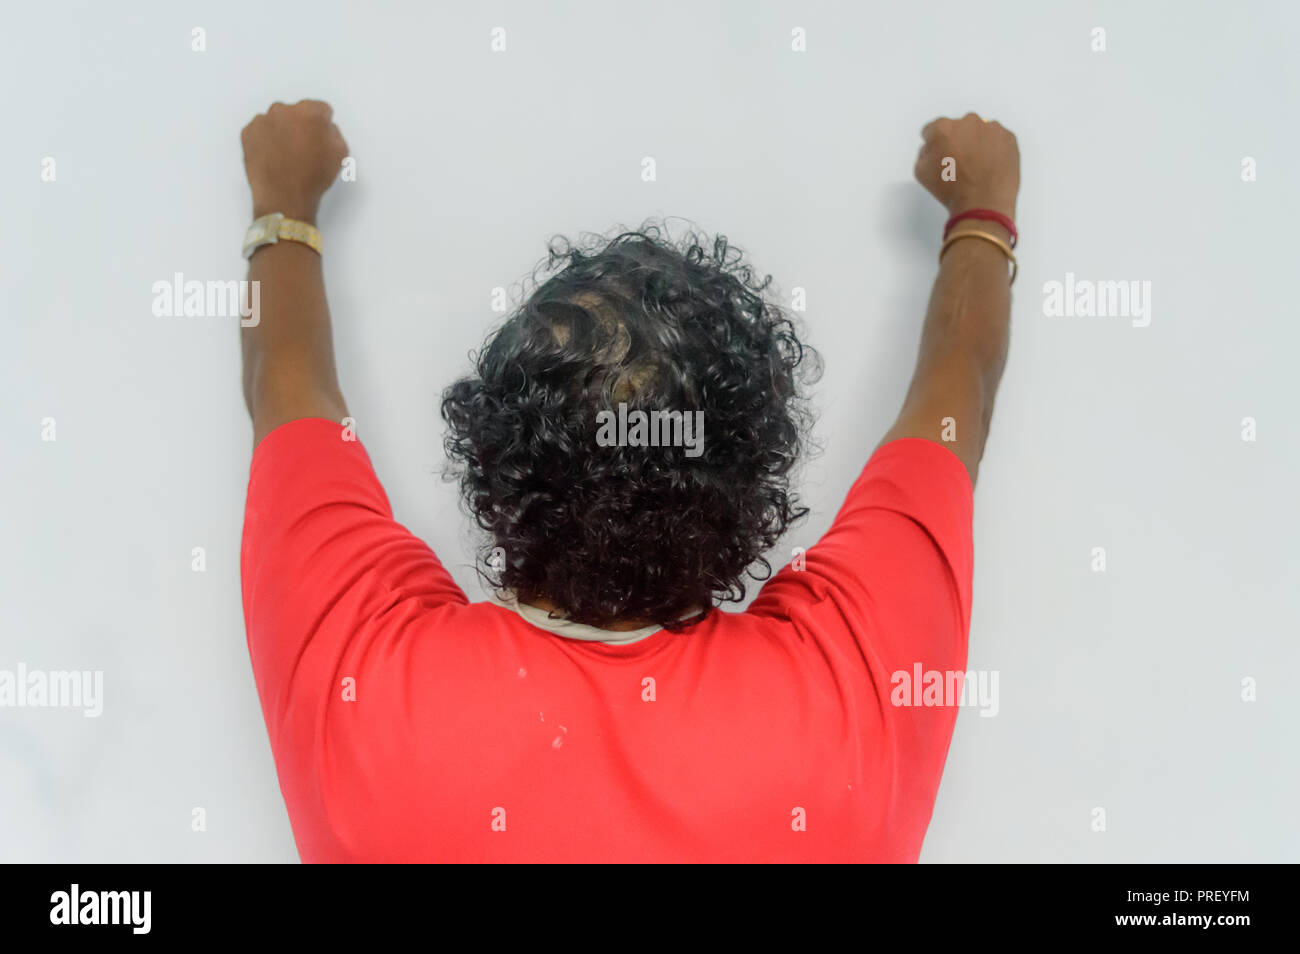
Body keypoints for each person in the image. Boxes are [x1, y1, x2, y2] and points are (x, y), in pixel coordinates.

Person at [238, 100, 1019, 862]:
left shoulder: (364, 690)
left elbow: (288, 385)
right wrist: (983, 213)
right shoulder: (850, 705)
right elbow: (957, 397)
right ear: (752, 492)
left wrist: (284, 205)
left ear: (494, 466)